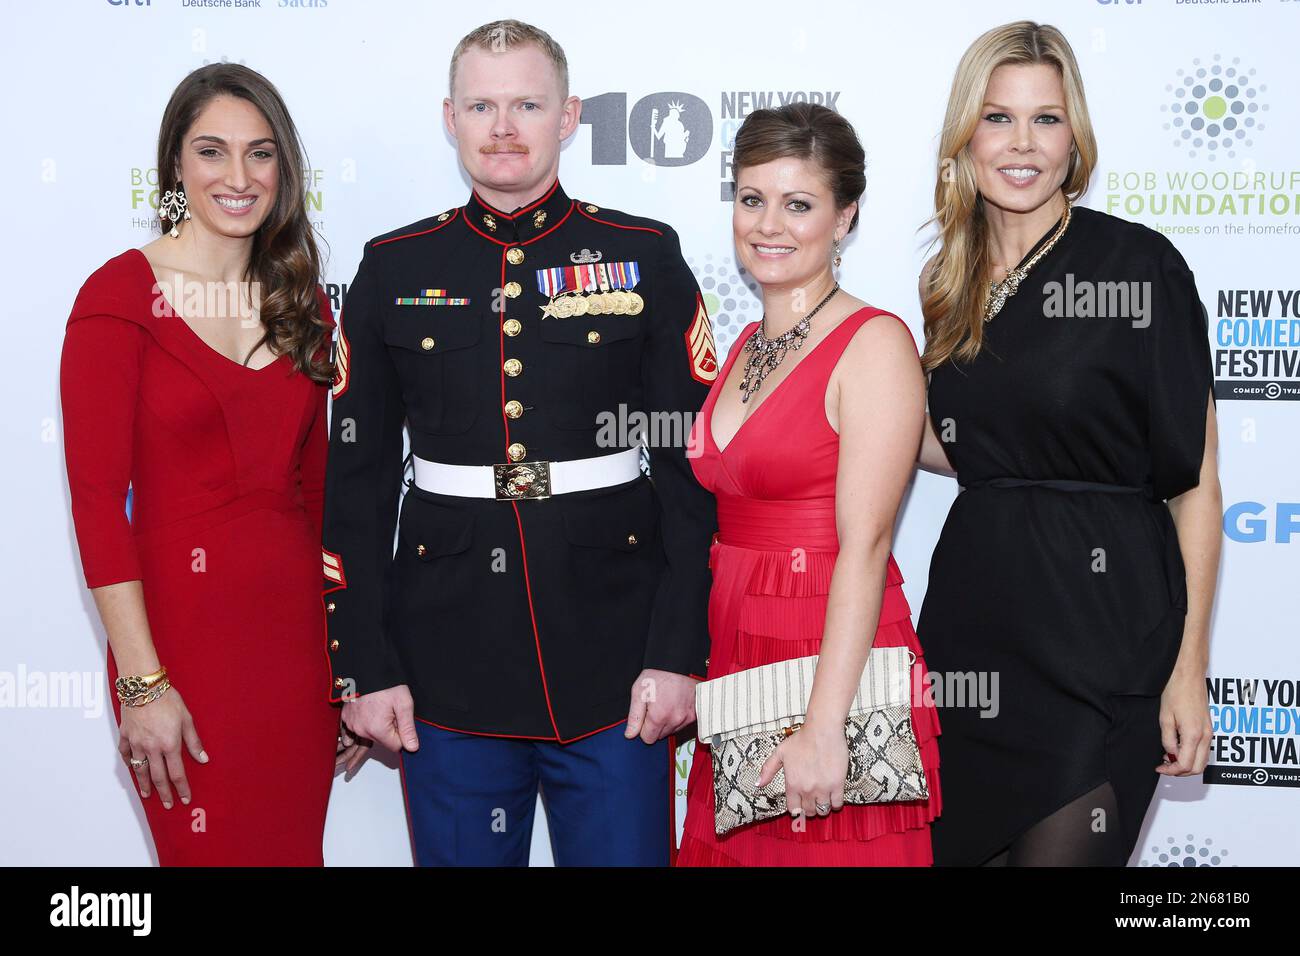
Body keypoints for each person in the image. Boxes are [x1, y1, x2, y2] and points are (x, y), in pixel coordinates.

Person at [325, 19, 717, 866]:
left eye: (528, 104)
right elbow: (354, 489)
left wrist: (680, 652)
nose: (504, 127)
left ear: (569, 116)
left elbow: (690, 475)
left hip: (617, 664)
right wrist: (363, 664)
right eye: (483, 105)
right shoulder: (393, 267)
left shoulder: (641, 255)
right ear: (450, 117)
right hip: (444, 667)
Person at [915, 21, 1220, 866]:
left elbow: (1194, 483)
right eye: (998, 118)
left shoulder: (1139, 266)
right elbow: (969, 446)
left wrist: (1188, 669)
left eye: (1046, 120)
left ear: (1074, 137)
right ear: (964, 136)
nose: (1022, 144)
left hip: (1103, 636)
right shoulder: (950, 282)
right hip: (975, 629)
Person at [59, 64, 344, 865]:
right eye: (211, 152)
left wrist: (347, 660)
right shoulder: (118, 298)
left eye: (261, 154)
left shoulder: (305, 306)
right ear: (176, 167)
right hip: (179, 647)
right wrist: (142, 683)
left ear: (283, 171)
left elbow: (319, 494)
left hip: (295, 652)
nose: (238, 176)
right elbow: (93, 504)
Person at [676, 103, 942, 866]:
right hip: (738, 665)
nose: (769, 224)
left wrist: (826, 729)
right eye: (752, 199)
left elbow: (867, 546)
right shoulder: (744, 348)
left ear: (846, 215)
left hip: (832, 656)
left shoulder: (875, 343)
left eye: (799, 204)